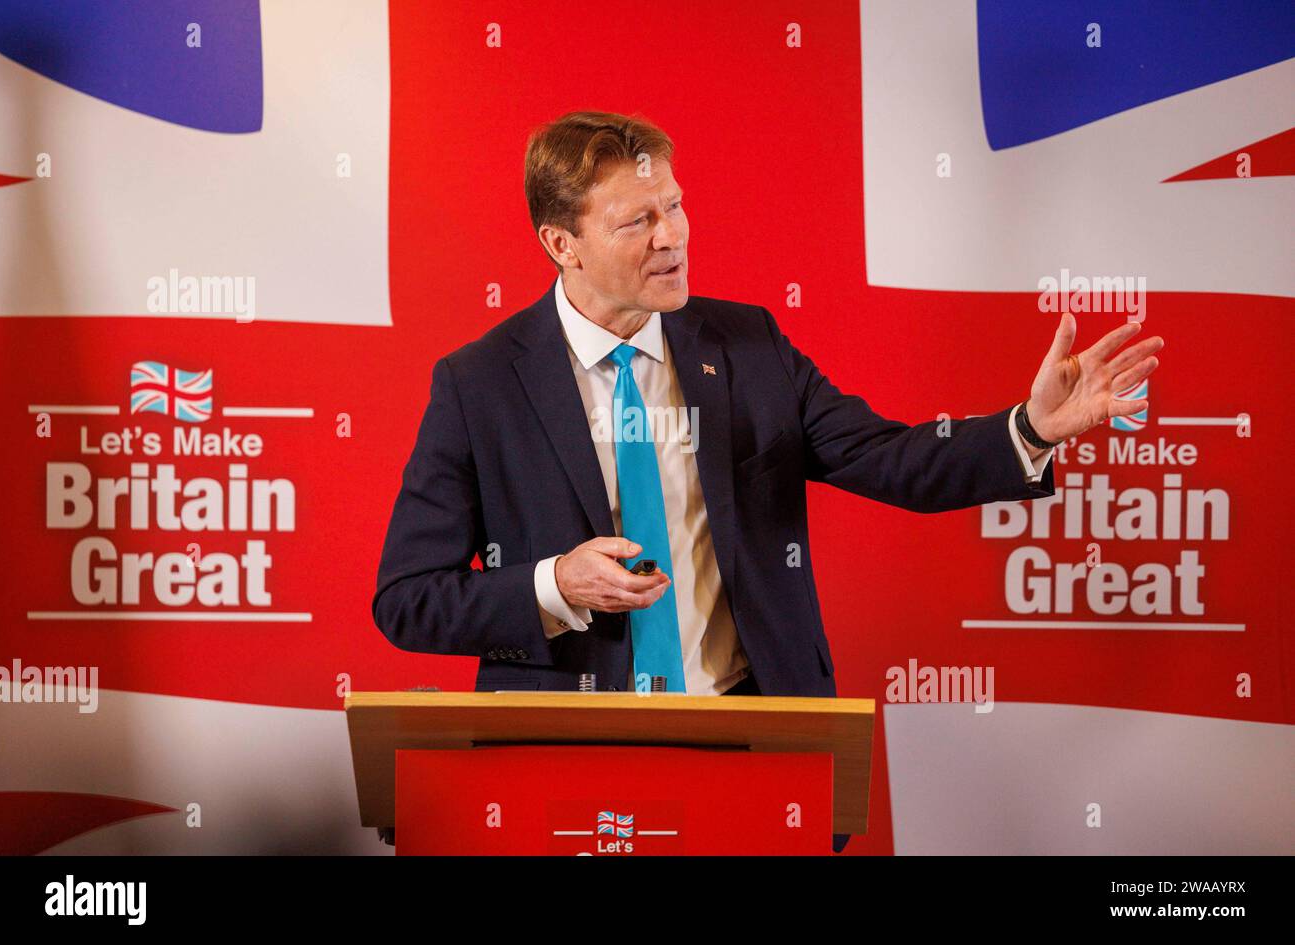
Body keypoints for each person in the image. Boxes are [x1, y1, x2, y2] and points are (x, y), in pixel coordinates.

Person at [371, 111, 1162, 846]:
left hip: (749, 755)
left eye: (674, 206)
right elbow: (408, 600)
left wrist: (1029, 428)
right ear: (562, 243)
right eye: (638, 220)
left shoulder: (745, 344)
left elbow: (891, 458)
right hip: (567, 767)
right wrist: (554, 585)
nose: (672, 236)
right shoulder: (477, 385)